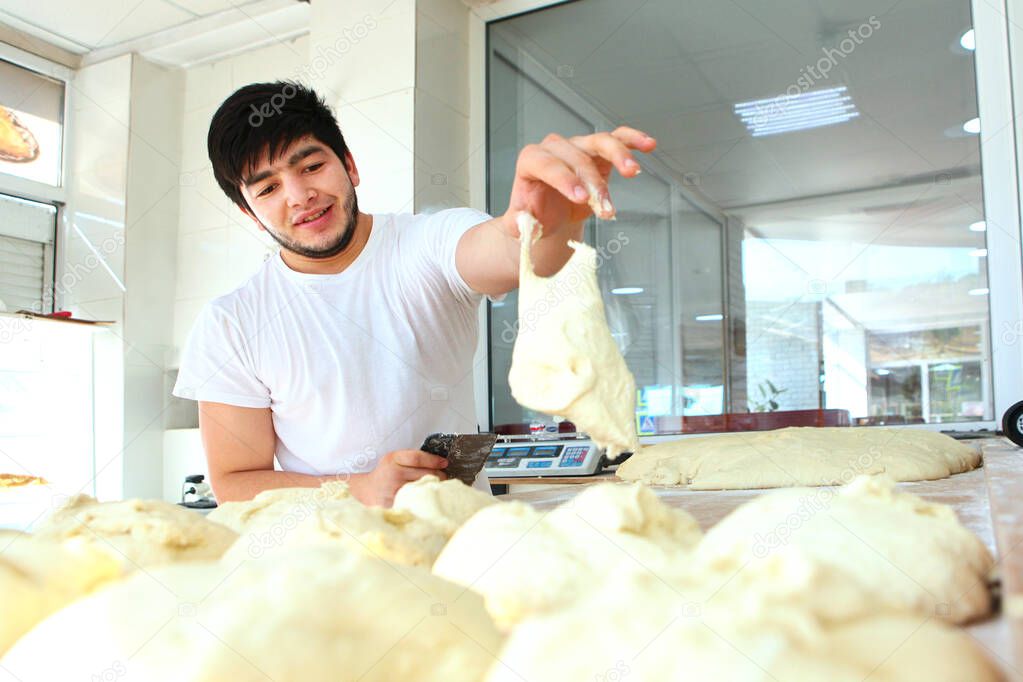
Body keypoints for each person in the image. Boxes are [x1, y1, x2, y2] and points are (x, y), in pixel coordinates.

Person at [173, 81, 656, 506]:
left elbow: (510, 254)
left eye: (312, 166)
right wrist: (359, 488)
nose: (299, 196)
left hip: (462, 544)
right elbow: (234, 482)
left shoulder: (423, 246)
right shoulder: (232, 322)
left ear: (349, 165)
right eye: (268, 188)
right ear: (248, 212)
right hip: (330, 564)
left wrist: (543, 223)